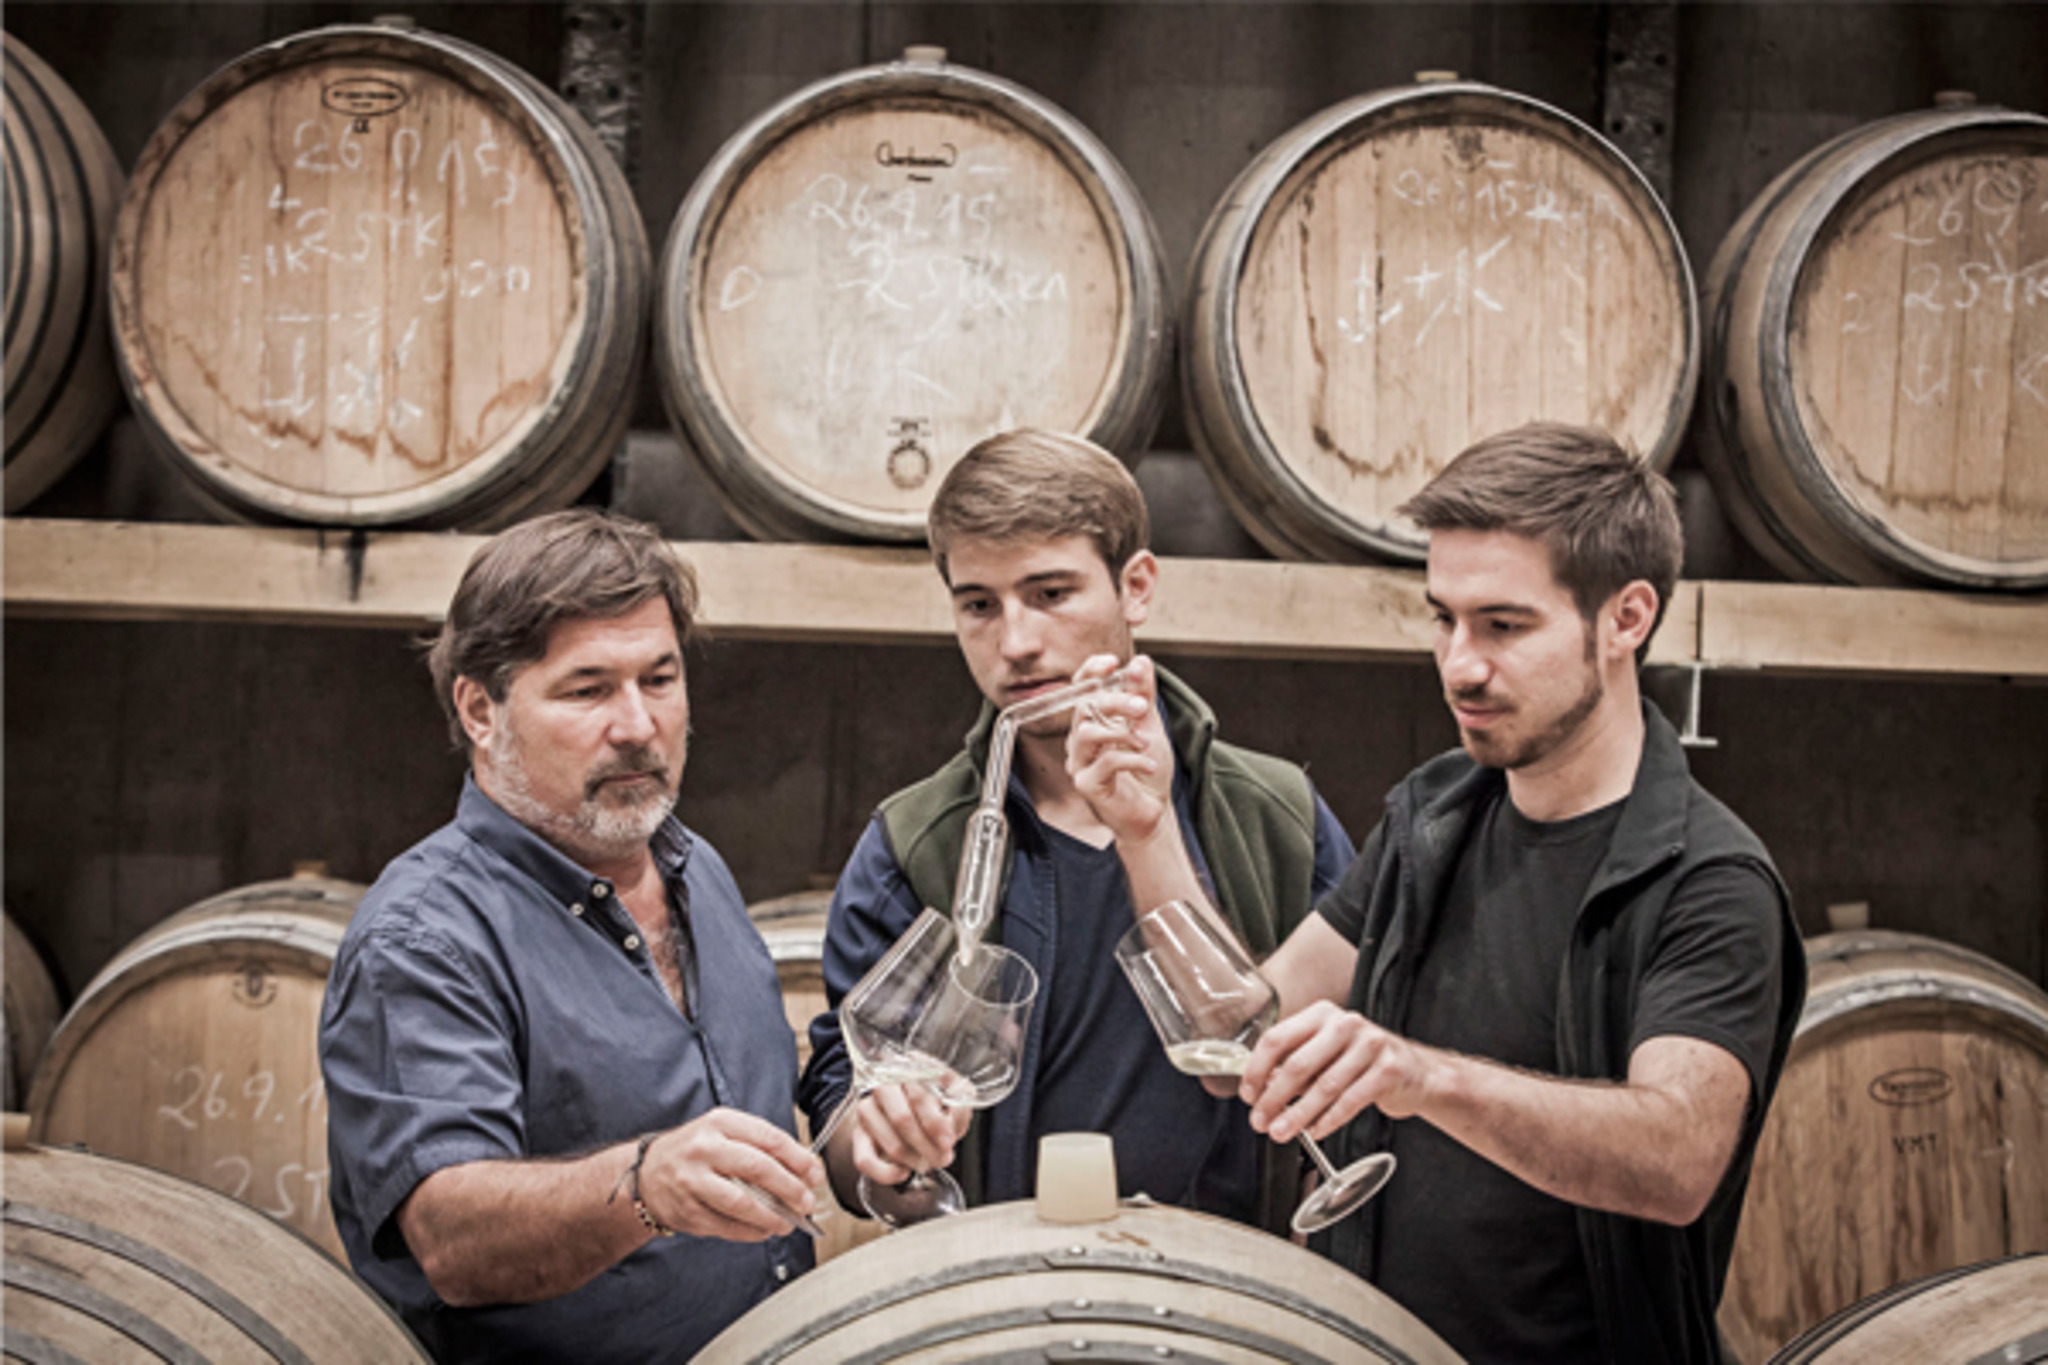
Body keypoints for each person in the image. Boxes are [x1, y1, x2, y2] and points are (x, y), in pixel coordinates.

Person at [1070, 422, 1805, 1365]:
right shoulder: (1434, 814)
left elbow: (1674, 1159)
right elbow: (1237, 1040)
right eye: (1442, 618)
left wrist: (1424, 1078)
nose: (1459, 664)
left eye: (1504, 624)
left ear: (1627, 618)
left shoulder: (1706, 878)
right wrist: (1148, 828)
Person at [798, 428, 1355, 1232]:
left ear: (1136, 586)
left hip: (1232, 1298)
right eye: (979, 604)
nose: (1016, 643)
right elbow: (838, 1101)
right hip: (1002, 1299)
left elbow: (1343, 1054)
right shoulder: (913, 842)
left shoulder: (1278, 814)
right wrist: (878, 1145)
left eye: (1051, 593)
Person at [318, 509, 821, 1364]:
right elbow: (451, 1236)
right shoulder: (426, 935)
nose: (636, 724)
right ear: (481, 708)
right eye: (588, 689)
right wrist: (644, 1184)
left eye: (658, 678)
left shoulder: (696, 867)